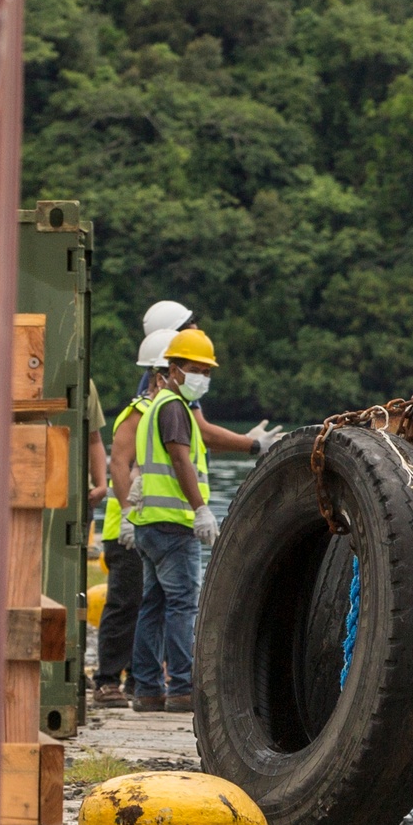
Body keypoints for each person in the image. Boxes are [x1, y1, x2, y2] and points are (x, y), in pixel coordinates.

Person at [127, 329, 280, 713]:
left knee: (153, 607)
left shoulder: (157, 404)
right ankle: (181, 687)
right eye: (195, 370)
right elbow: (180, 460)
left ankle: (147, 690)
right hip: (173, 524)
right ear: (173, 369)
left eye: (207, 372)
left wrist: (249, 444)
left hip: (150, 522)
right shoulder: (175, 408)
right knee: (182, 606)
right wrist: (200, 509)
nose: (202, 378)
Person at [90, 334, 170, 709]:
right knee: (125, 604)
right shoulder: (139, 413)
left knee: (151, 605)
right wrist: (125, 515)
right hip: (126, 529)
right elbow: (119, 464)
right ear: (159, 376)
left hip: (153, 524)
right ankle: (107, 680)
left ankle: (140, 679)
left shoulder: (170, 413)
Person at [138, 299, 281, 457]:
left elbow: (193, 439)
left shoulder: (160, 377)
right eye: (190, 322)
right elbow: (201, 432)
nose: (196, 327)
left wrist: (244, 439)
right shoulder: (174, 379)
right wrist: (253, 444)